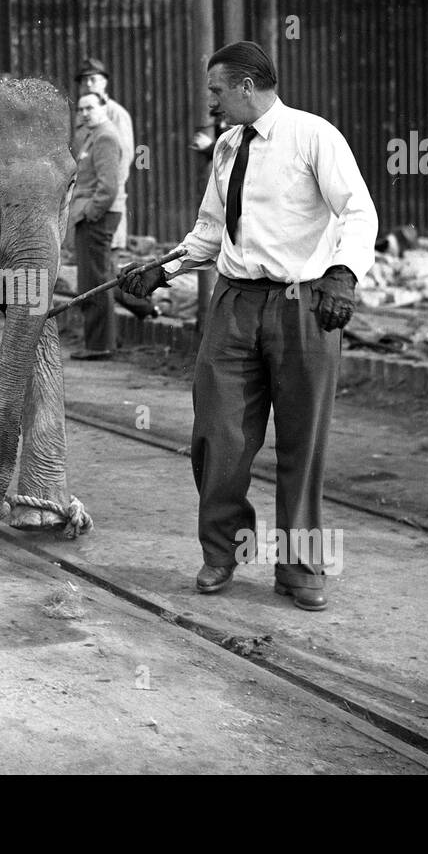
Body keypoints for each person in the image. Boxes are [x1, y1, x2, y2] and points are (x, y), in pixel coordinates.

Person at [118, 41, 378, 611]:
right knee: (217, 433)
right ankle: (222, 551)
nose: (210, 103)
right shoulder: (228, 147)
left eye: (216, 91)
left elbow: (359, 210)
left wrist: (343, 274)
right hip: (235, 304)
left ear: (245, 86)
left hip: (304, 305)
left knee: (302, 442)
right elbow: (211, 229)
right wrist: (163, 268)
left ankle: (300, 567)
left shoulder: (314, 136)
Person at [69, 91, 124, 360]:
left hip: (98, 216)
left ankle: (99, 345)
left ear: (104, 107)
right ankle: (102, 341)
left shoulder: (105, 137)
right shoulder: (93, 135)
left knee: (95, 281)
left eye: (90, 107)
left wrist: (91, 212)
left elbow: (108, 186)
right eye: (81, 109)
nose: (85, 113)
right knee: (94, 278)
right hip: (91, 215)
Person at [74, 58, 135, 250]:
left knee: (105, 261)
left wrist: (99, 205)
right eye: (84, 81)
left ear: (104, 82)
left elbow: (123, 161)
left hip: (104, 206)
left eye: (93, 79)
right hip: (85, 205)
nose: (88, 84)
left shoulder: (116, 114)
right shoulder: (82, 114)